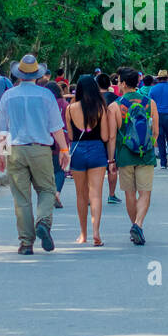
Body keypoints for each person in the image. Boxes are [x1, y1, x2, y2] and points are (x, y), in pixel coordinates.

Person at [0, 54, 70, 255]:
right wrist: (63, 150)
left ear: (18, 75)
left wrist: (1, 154)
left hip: (16, 150)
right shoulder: (46, 96)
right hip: (40, 149)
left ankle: (26, 243)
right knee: (46, 190)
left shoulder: (9, 96)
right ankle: (43, 220)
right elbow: (56, 127)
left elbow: (1, 129)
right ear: (38, 75)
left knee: (21, 197)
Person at [66, 75, 115, 246]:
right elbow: (105, 136)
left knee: (81, 195)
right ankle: (96, 232)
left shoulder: (70, 108)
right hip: (97, 152)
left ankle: (83, 234)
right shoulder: (101, 108)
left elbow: (71, 136)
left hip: (78, 151)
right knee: (96, 194)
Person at [111, 67, 157, 245]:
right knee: (145, 193)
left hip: (125, 154)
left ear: (123, 83)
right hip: (145, 154)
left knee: (130, 193)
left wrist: (111, 159)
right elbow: (156, 130)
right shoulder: (149, 102)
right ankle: (138, 224)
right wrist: (148, 146)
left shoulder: (115, 105)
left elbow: (113, 135)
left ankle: (134, 226)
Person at [97, 73, 122, 205]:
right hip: (113, 136)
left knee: (97, 168)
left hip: (96, 137)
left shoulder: (93, 99)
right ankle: (111, 194)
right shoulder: (116, 99)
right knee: (112, 165)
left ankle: (93, 195)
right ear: (109, 85)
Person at [45, 79, 69, 208]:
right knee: (60, 170)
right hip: (61, 140)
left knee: (48, 171)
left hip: (45, 140)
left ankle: (48, 194)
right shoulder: (65, 104)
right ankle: (57, 193)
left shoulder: (44, 103)